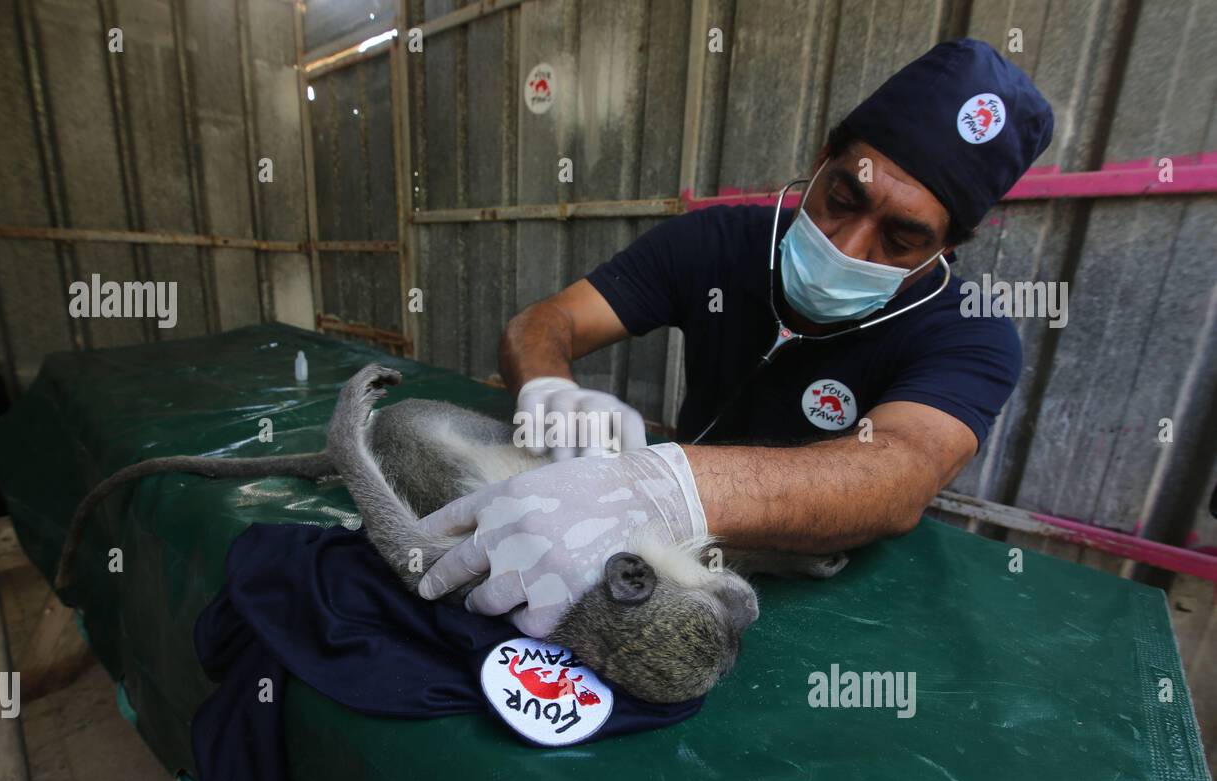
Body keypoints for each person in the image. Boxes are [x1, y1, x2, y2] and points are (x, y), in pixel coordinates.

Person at [415, 38, 1055, 638]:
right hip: (651, 550)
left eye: (902, 237)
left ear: (949, 246)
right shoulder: (719, 243)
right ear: (820, 162)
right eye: (842, 196)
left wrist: (657, 488)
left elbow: (897, 473)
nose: (847, 244)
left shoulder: (971, 331)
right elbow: (548, 322)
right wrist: (547, 384)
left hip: (826, 609)